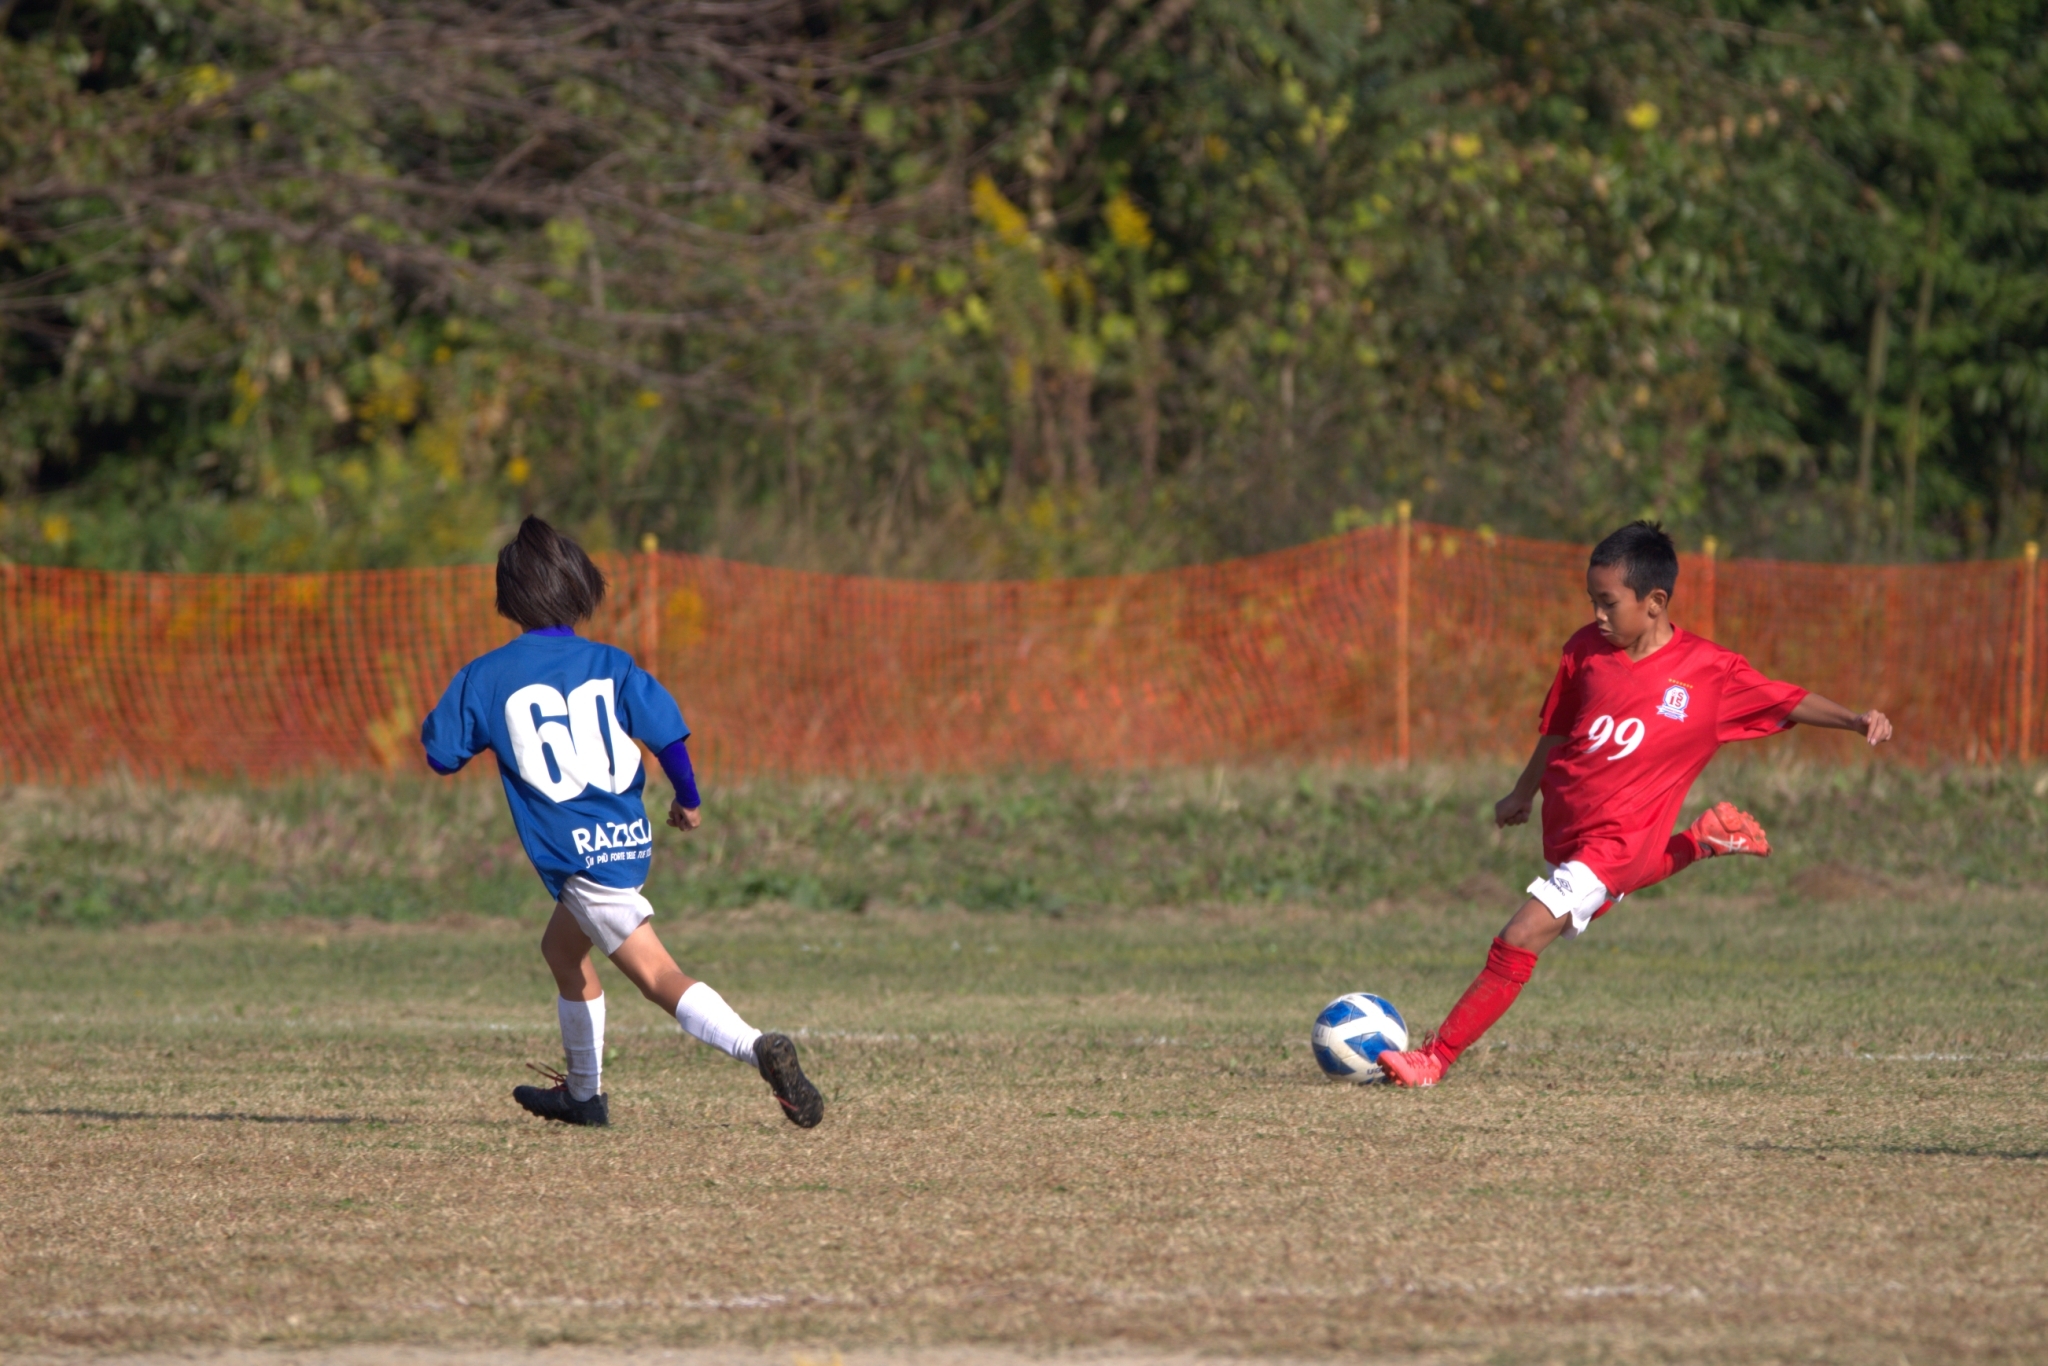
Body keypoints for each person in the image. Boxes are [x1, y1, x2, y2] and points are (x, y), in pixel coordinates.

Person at [1377, 521, 1893, 1088]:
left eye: (1608, 603)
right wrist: (1523, 792)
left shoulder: (1709, 673)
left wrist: (1853, 719)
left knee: (1520, 936)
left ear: (1655, 602)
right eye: (1592, 601)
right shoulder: (1584, 650)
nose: (1597, 614)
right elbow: (1555, 731)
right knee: (1600, 895)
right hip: (1569, 831)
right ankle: (1701, 841)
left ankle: (1435, 1059)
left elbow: (1787, 699)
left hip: (1615, 844)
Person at [420, 516, 823, 1128]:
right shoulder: (612, 662)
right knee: (561, 950)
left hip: (579, 858)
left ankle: (756, 1046)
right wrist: (688, 799)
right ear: (581, 588)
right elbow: (668, 734)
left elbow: (440, 754)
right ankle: (584, 1097)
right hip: (626, 839)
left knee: (659, 975)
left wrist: (462, 702)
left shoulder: (488, 674)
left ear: (508, 599)